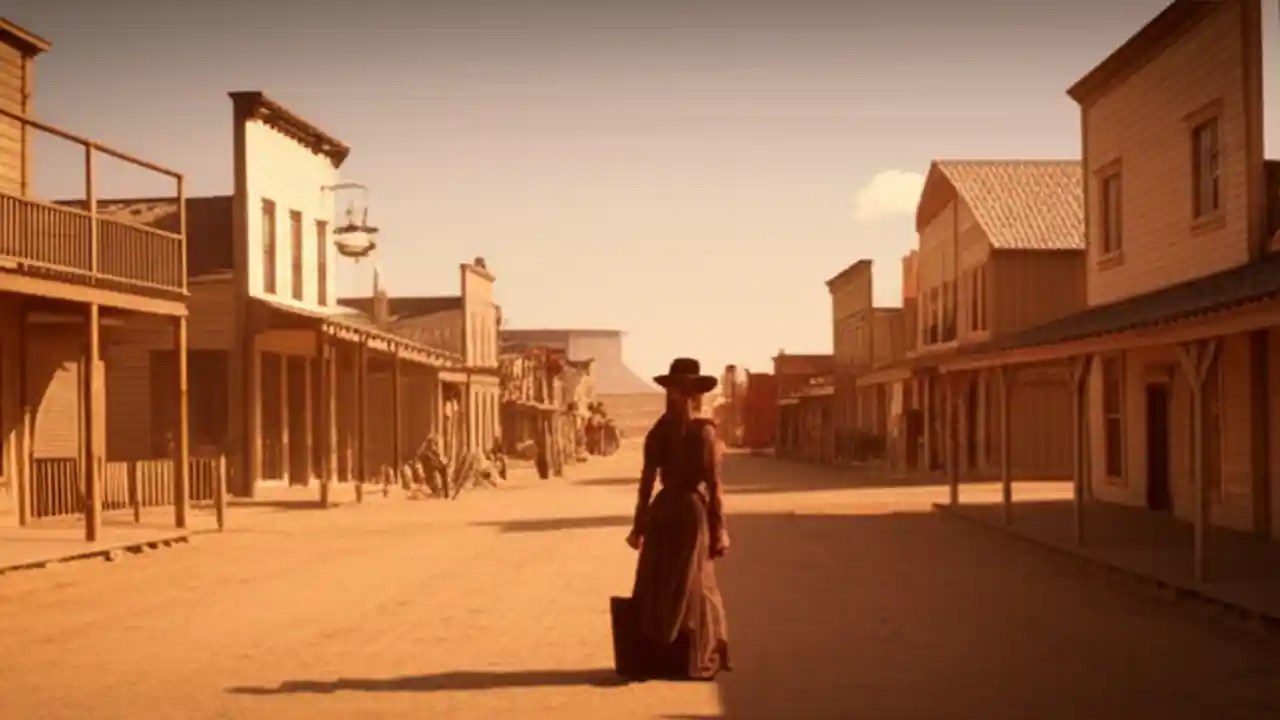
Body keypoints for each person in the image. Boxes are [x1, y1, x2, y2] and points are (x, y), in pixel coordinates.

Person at [624, 357, 731, 680]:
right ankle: (683, 656)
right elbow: (713, 485)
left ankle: (661, 656)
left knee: (662, 583)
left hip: (666, 509)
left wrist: (639, 526)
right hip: (687, 512)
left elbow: (647, 483)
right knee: (690, 584)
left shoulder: (661, 431)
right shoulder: (702, 432)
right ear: (696, 395)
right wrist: (719, 529)